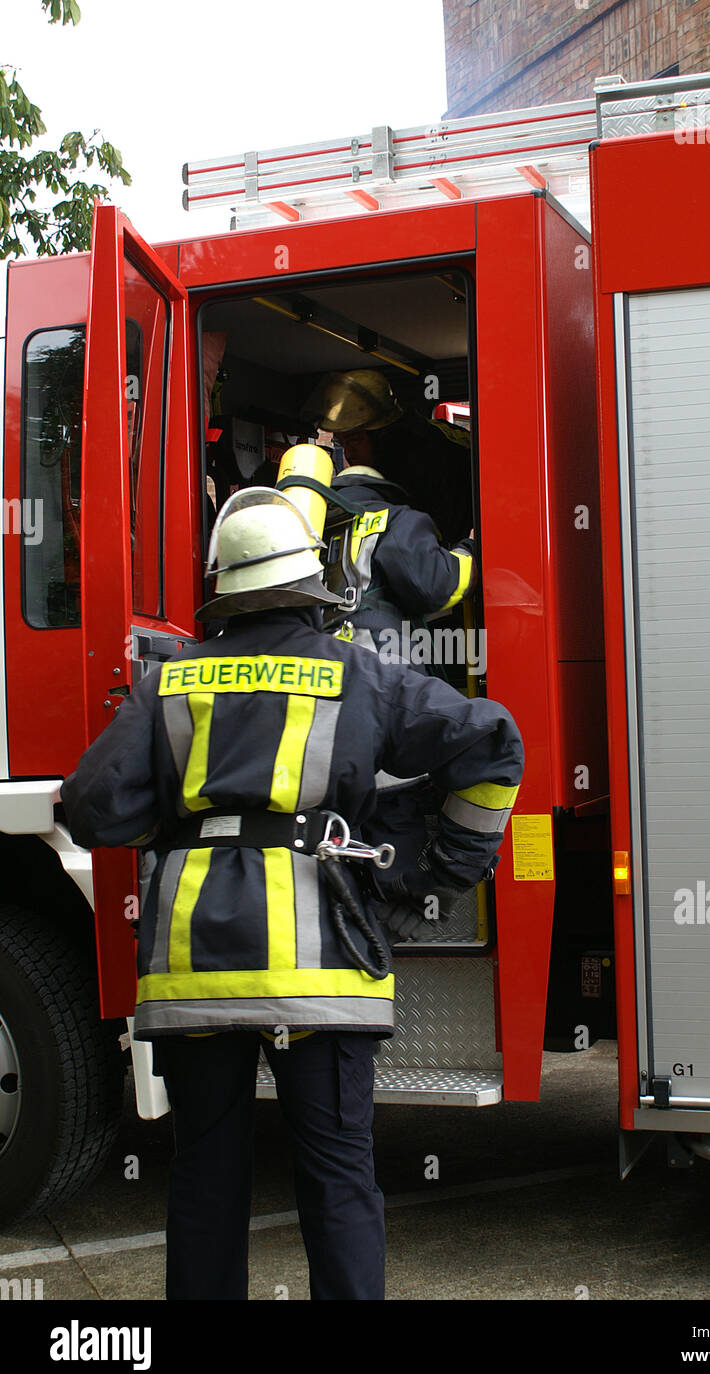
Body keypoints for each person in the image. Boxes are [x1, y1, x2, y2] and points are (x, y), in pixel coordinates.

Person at [60, 468, 523, 1302]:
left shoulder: (168, 681)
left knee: (206, 1172)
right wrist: (444, 867)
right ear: (312, 586)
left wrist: (179, 810)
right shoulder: (360, 676)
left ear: (222, 594)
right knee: (339, 1177)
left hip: (195, 972)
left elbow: (92, 811)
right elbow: (492, 744)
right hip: (326, 967)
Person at [326, 461, 477, 937]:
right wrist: (471, 547)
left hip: (310, 742)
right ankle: (391, 937)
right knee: (395, 867)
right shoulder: (395, 518)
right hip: (388, 738)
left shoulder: (300, 526)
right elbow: (437, 585)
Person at [309, 369, 473, 546]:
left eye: (355, 440)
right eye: (341, 443)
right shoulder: (413, 445)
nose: (348, 453)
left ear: (382, 434)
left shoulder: (428, 463)